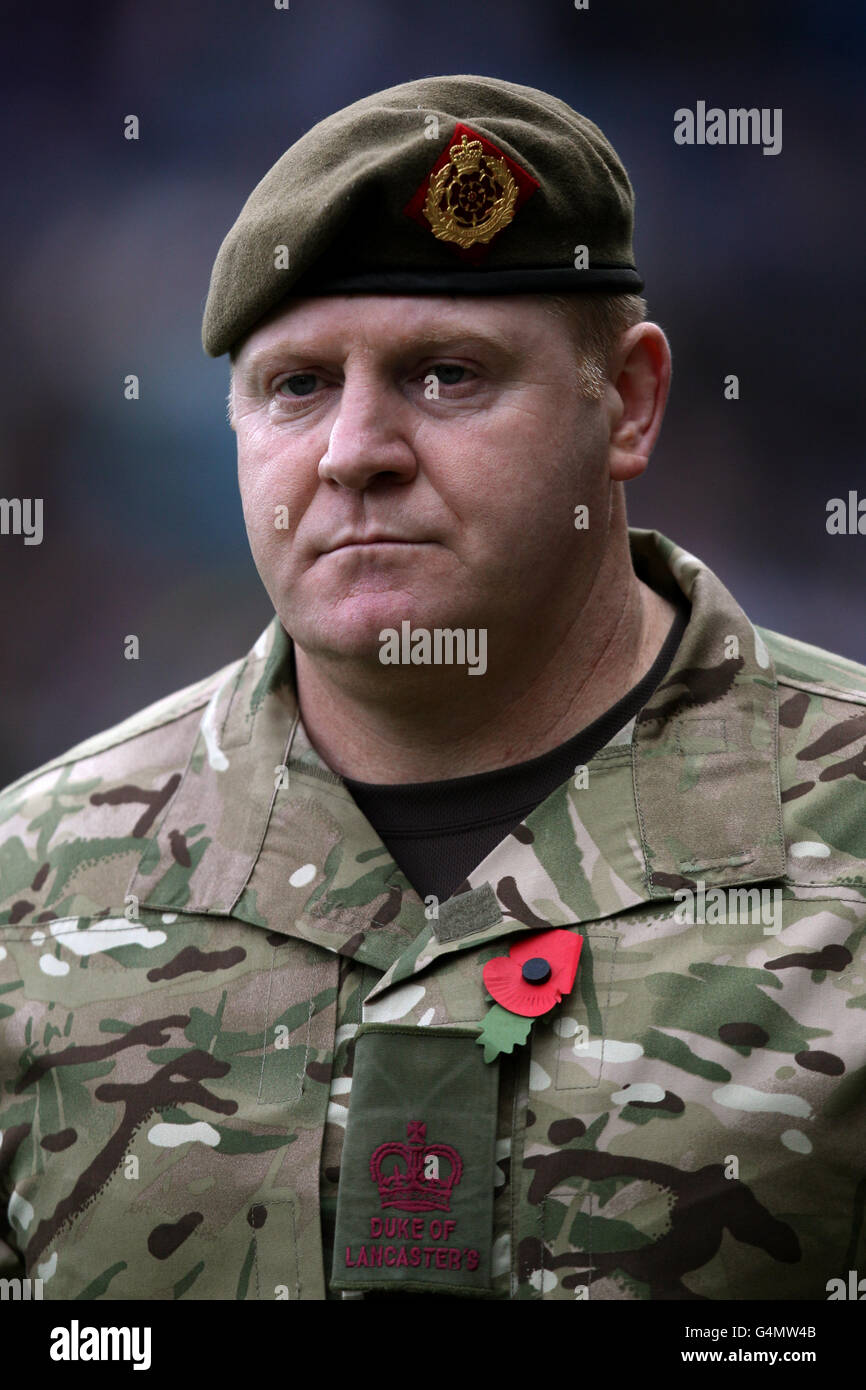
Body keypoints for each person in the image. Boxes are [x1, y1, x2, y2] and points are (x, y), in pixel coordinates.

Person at [1, 74, 864, 1303]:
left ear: (624, 402)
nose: (354, 451)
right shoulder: (32, 886)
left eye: (446, 374)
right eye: (295, 386)